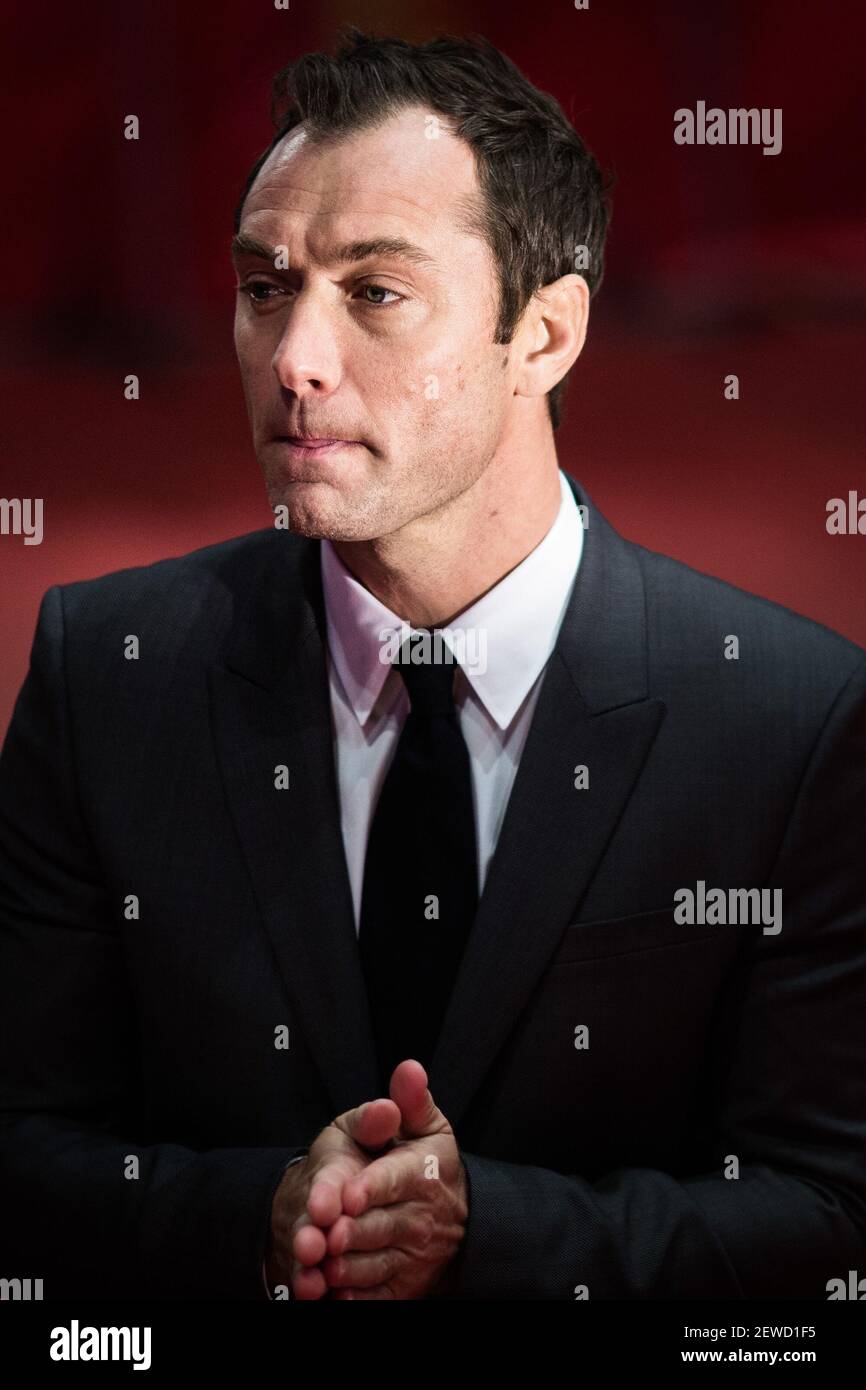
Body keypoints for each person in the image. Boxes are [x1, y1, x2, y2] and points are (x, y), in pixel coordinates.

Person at [1, 28, 864, 1302]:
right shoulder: (105, 675)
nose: (293, 357)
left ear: (547, 334)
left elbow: (829, 1214)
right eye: (263, 287)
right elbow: (22, 1147)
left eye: (372, 292)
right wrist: (257, 1215)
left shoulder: (786, 717)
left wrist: (490, 1235)